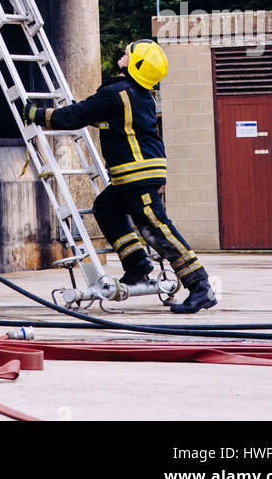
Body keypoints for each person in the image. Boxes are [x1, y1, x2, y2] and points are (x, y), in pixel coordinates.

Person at [19, 38, 218, 314]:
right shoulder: (138, 95)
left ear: (135, 64)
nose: (123, 55)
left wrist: (37, 114)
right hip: (134, 176)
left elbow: (75, 117)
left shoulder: (116, 93)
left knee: (156, 227)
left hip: (137, 176)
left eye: (128, 54)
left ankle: (200, 286)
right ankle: (137, 265)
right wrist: (82, 110)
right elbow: (101, 117)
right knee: (106, 208)